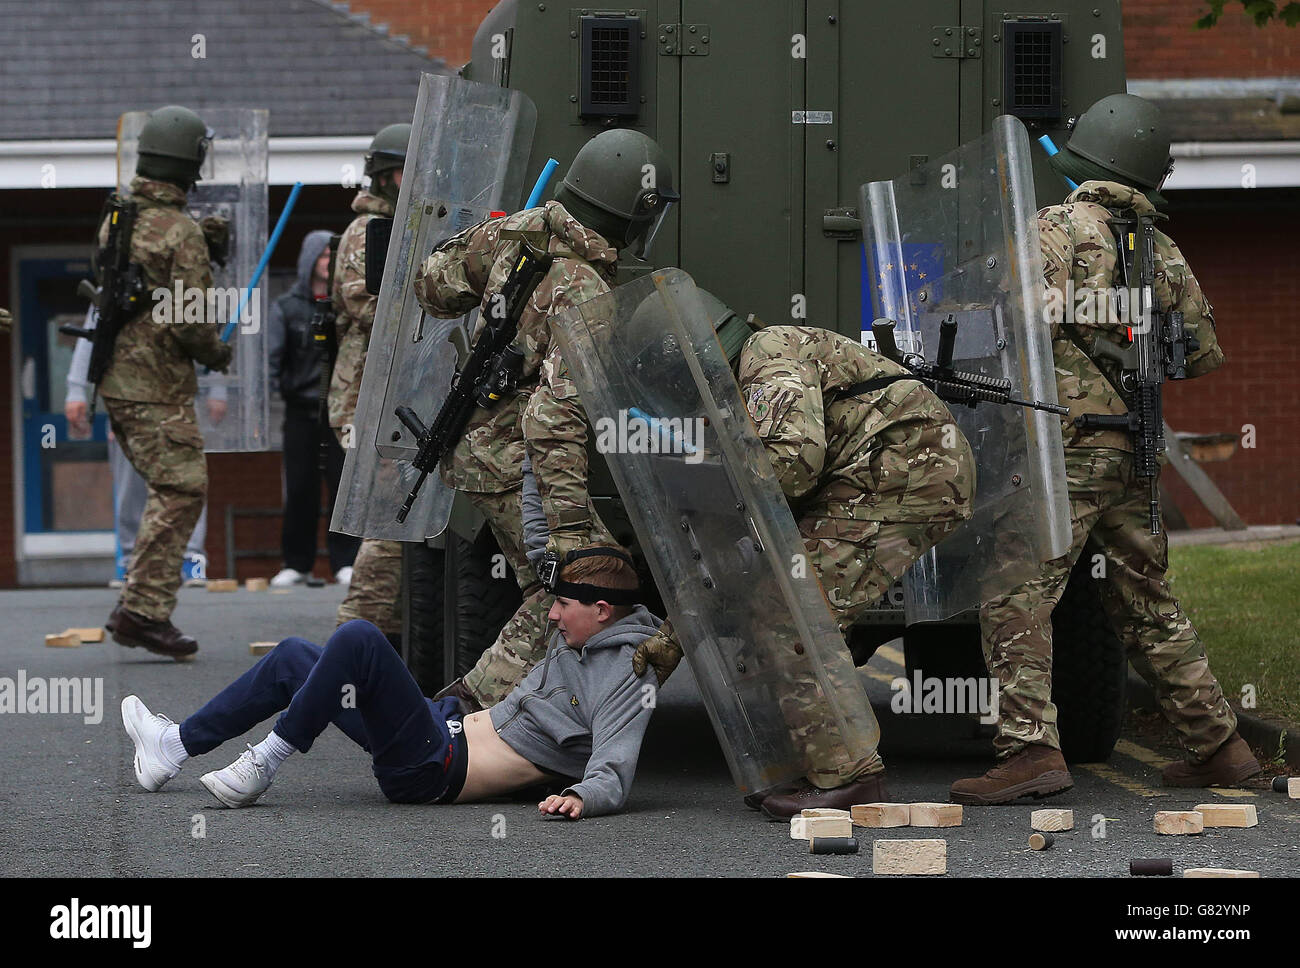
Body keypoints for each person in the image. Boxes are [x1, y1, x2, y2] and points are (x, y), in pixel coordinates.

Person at [950, 94, 1259, 805]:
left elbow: (1004, 327)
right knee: (1147, 601)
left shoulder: (1054, 230)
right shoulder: (1163, 250)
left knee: (1014, 594)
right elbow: (1202, 354)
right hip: (1133, 451)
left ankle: (1029, 750)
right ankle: (1222, 747)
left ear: (1090, 158)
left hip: (1062, 453)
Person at [607, 300, 975, 817]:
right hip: (876, 475)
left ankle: (850, 777)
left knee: (790, 611)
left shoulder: (769, 355)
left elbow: (794, 465)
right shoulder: (735, 396)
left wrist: (715, 488)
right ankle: (815, 762)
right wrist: (673, 637)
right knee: (774, 600)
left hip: (905, 470)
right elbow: (723, 552)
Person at [413, 127, 678, 710]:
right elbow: (553, 418)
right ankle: (468, 711)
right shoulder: (586, 290)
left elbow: (431, 285)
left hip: (475, 447)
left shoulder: (520, 232)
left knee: (548, 590)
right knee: (595, 585)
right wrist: (570, 533)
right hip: (514, 460)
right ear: (631, 213)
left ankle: (495, 711)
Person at [120, 543, 662, 818]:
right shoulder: (581, 634)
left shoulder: (622, 675)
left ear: (602, 610)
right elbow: (542, 533)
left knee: (359, 638)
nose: (551, 616)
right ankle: (172, 746)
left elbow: (614, 768)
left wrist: (584, 798)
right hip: (438, 726)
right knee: (292, 658)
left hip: (434, 769)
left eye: (563, 606)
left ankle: (265, 761)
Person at [99, 105, 232, 660]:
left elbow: (142, 281)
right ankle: (143, 612)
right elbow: (191, 318)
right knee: (182, 487)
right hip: (155, 386)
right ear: (189, 161)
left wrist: (200, 244)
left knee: (168, 486)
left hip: (118, 379)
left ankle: (140, 605)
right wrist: (218, 352)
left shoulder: (118, 215)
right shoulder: (180, 232)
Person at [64, 305, 213, 587]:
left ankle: (191, 557)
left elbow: (204, 336)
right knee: (129, 485)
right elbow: (91, 337)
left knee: (189, 479)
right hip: (126, 397)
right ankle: (131, 560)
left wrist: (217, 387)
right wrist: (75, 389)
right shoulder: (117, 275)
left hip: (177, 396)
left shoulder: (182, 277)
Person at [330, 124, 410, 639]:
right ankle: (355, 631)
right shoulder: (367, 233)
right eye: (405, 171)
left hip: (382, 397)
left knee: (396, 519)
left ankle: (382, 638)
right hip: (367, 399)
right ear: (385, 177)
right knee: (390, 521)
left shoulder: (397, 227)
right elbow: (367, 307)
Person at [268, 230, 359, 588]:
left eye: (330, 255)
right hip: (301, 413)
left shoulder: (346, 306)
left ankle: (345, 561)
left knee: (342, 487)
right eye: (320, 255)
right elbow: (273, 360)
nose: (326, 262)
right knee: (300, 487)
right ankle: (297, 562)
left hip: (339, 414)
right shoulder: (287, 308)